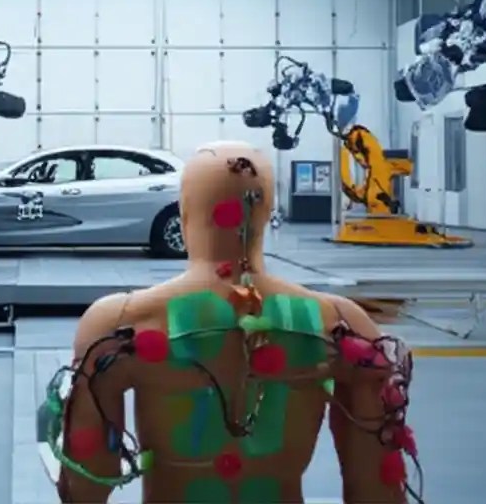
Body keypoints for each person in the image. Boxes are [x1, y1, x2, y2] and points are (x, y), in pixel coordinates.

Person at [45, 141, 420, 503]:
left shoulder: (120, 323)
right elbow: (377, 493)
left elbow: (86, 488)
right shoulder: (340, 323)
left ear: (184, 213)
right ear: (267, 212)